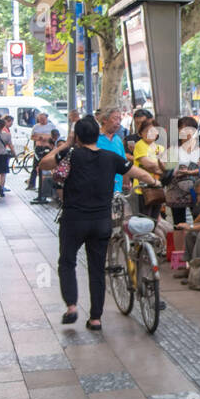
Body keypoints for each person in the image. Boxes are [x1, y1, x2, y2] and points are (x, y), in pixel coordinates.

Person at [58, 116, 162, 330]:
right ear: (98, 135)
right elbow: (139, 172)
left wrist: (68, 144)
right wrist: (155, 181)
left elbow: (45, 164)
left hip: (73, 220)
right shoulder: (111, 157)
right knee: (97, 269)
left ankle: (72, 306)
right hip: (101, 221)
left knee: (67, 262)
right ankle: (95, 318)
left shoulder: (71, 154)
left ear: (77, 136)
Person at [0, 117, 13, 198]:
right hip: (3, 155)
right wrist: (15, 154)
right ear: (3, 126)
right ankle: (1, 188)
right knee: (3, 173)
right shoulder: (7, 135)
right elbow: (11, 146)